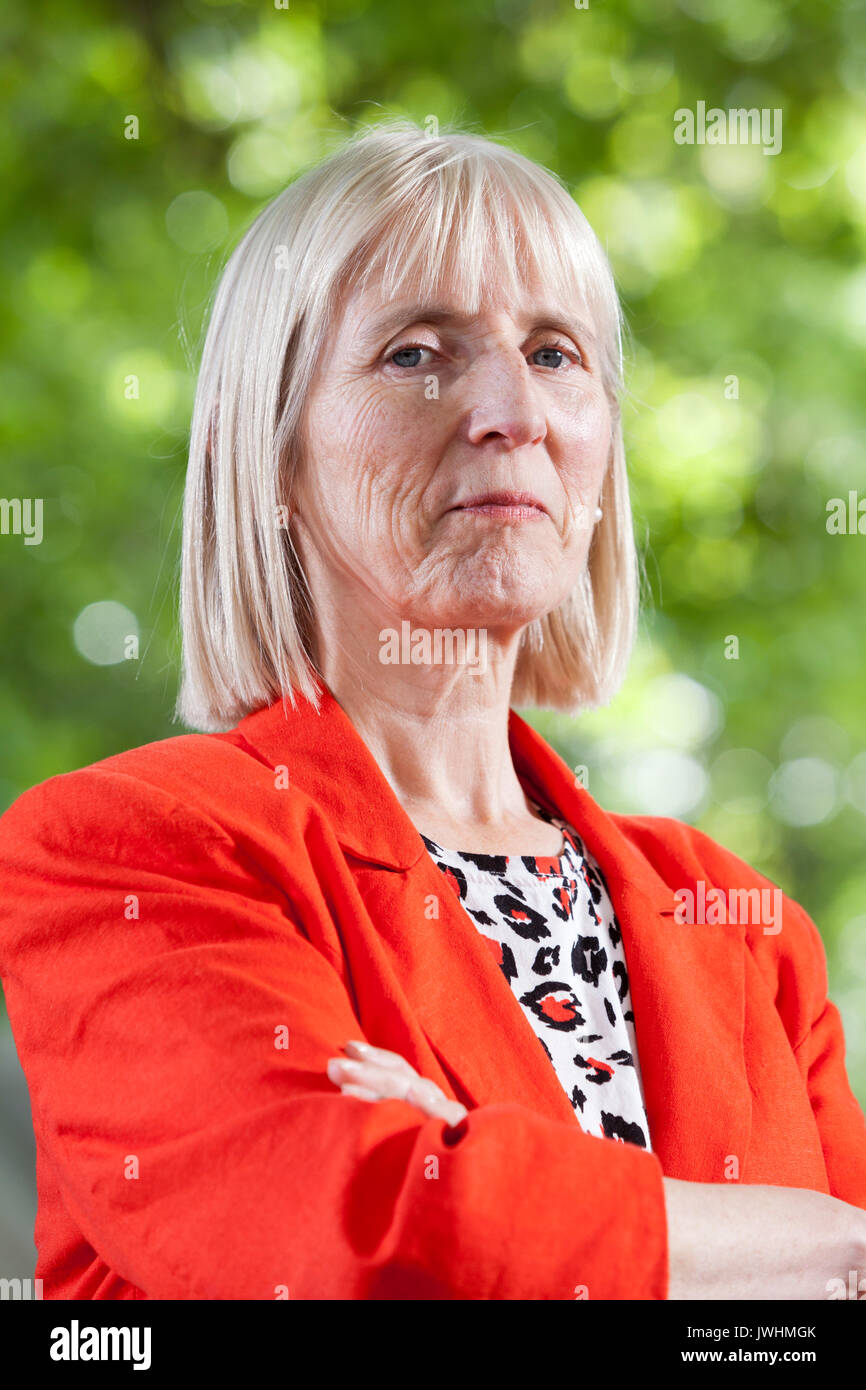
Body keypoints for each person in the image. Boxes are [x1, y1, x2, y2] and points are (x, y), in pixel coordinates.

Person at [1, 119, 865, 1301]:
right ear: (275, 457)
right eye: (416, 353)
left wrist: (475, 1176)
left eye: (556, 353)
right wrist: (811, 1241)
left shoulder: (749, 932)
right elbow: (340, 1257)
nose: (513, 410)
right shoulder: (130, 846)